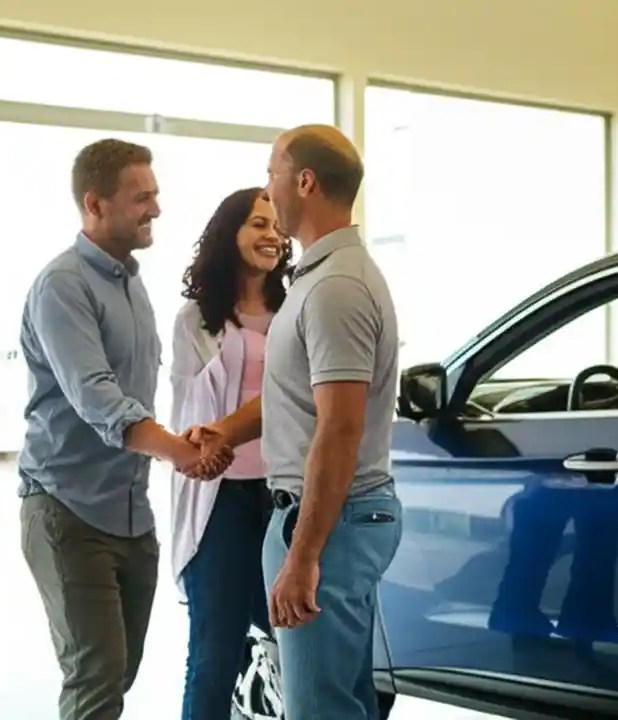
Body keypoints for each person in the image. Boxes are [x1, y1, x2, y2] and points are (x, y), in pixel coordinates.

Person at [183, 124, 403, 719]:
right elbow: (301, 396)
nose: (268, 187)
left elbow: (339, 428)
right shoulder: (320, 279)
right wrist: (226, 431)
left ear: (305, 182)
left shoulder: (336, 288)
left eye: (272, 173)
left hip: (330, 522)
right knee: (341, 703)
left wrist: (302, 556)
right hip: (333, 518)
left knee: (318, 711)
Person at [18, 138, 228, 720]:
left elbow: (146, 392)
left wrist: (186, 441)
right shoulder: (63, 286)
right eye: (141, 198)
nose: (155, 208)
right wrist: (178, 452)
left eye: (155, 194)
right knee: (96, 680)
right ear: (95, 204)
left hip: (131, 514)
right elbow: (99, 398)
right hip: (68, 510)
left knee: (120, 671)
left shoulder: (131, 284)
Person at [170, 187, 291, 718]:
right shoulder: (196, 319)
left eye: (277, 227)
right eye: (258, 224)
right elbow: (190, 410)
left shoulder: (296, 310)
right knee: (214, 653)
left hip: (285, 496)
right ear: (230, 233)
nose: (271, 236)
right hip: (219, 501)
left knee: (295, 640)